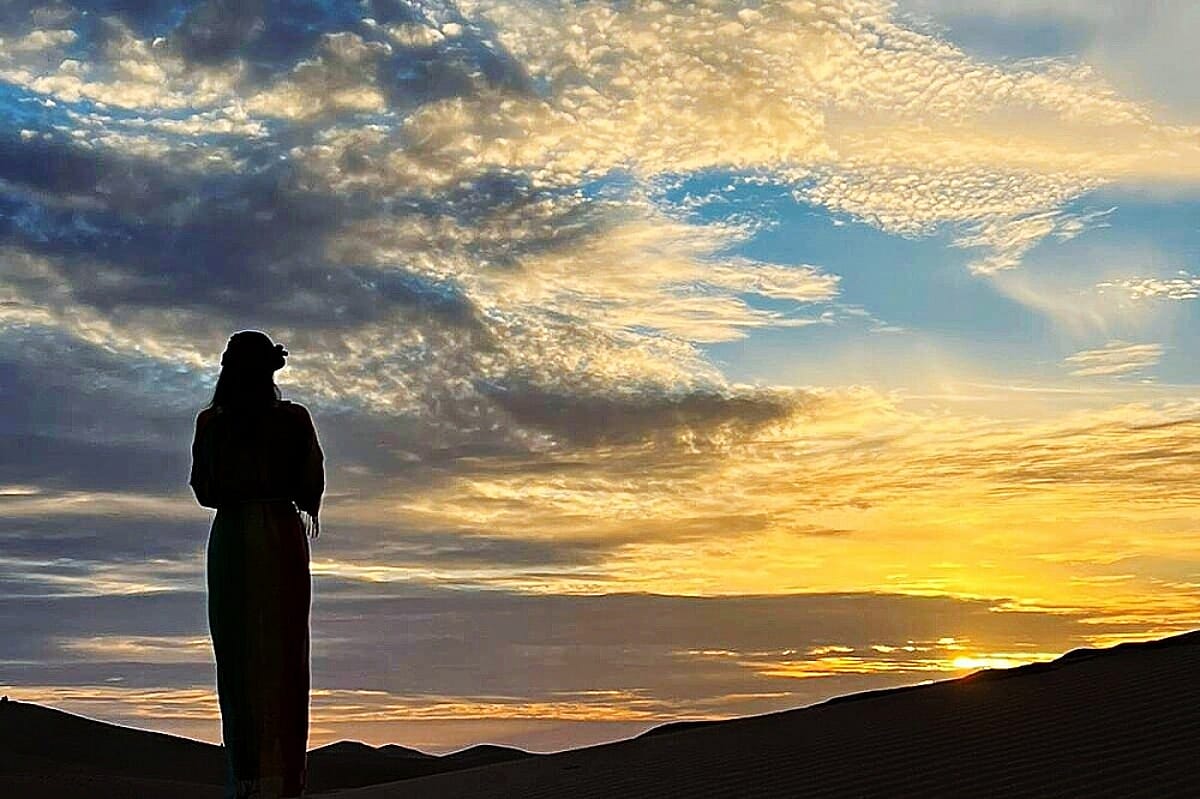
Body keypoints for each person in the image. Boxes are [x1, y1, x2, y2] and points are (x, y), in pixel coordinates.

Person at [190, 330, 325, 799]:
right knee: (284, 657)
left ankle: (247, 781)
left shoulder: (211, 423)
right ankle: (283, 781)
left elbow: (204, 489)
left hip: (231, 543)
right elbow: (310, 484)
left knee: (239, 659)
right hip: (280, 539)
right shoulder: (293, 420)